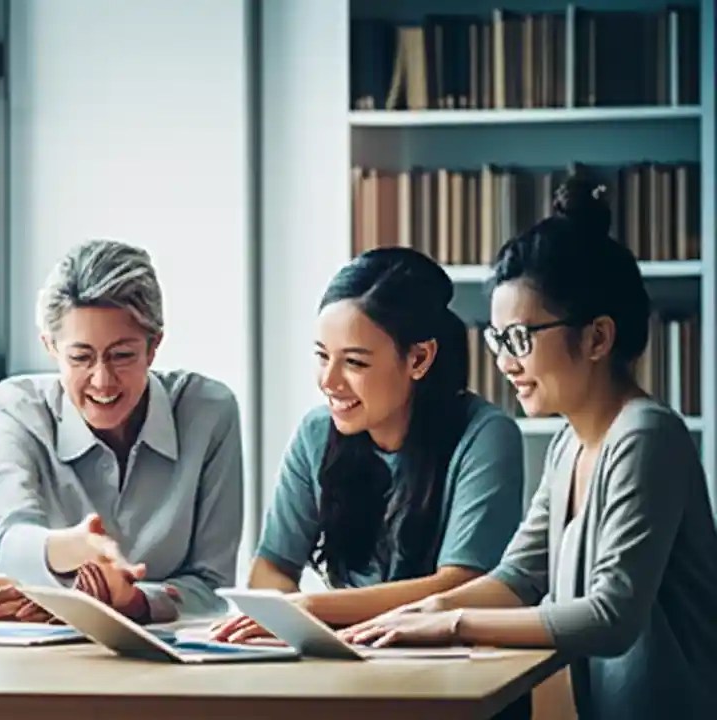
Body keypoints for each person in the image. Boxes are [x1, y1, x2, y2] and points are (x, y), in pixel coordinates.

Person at [339, 179, 717, 719]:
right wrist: (421, 610)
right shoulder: (569, 445)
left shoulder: (646, 436)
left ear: (597, 338)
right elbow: (518, 578)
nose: (505, 363)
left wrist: (451, 624)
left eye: (519, 339)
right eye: (498, 342)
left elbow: (611, 617)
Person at [214, 247, 524, 643]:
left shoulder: (485, 436)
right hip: (352, 660)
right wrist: (303, 626)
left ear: (419, 358)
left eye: (354, 363)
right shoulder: (316, 433)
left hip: (453, 671)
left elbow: (463, 586)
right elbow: (270, 571)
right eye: (322, 356)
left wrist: (313, 610)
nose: (329, 381)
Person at [0, 239, 243, 623]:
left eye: (122, 356)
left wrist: (130, 601)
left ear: (153, 348)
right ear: (50, 347)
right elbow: (5, 536)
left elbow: (212, 585)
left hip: (175, 663)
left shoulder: (209, 412)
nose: (102, 381)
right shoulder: (16, 407)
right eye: (80, 357)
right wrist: (75, 548)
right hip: (52, 652)